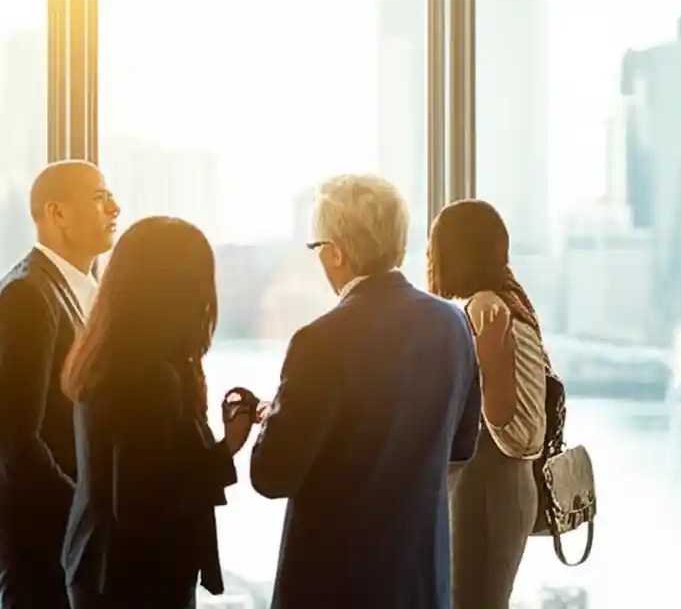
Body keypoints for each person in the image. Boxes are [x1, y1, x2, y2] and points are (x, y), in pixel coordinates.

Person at [250, 174, 482, 609]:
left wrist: (271, 421)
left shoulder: (320, 340)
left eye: (317, 248)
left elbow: (272, 475)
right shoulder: (453, 325)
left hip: (335, 586)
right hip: (420, 582)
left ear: (336, 253)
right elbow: (461, 445)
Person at [60, 217, 251, 608]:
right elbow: (143, 503)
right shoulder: (150, 376)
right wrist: (225, 449)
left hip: (99, 566)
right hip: (137, 577)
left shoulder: (108, 358)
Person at [0, 160, 119, 609]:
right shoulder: (26, 295)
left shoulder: (85, 290)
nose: (115, 207)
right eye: (99, 196)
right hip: (46, 542)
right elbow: (17, 437)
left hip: (76, 542)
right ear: (57, 213)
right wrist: (83, 511)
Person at [427, 199, 546, 608]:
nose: (429, 256)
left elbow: (501, 417)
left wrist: (490, 360)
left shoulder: (484, 307)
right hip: (506, 482)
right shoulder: (511, 299)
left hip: (487, 482)